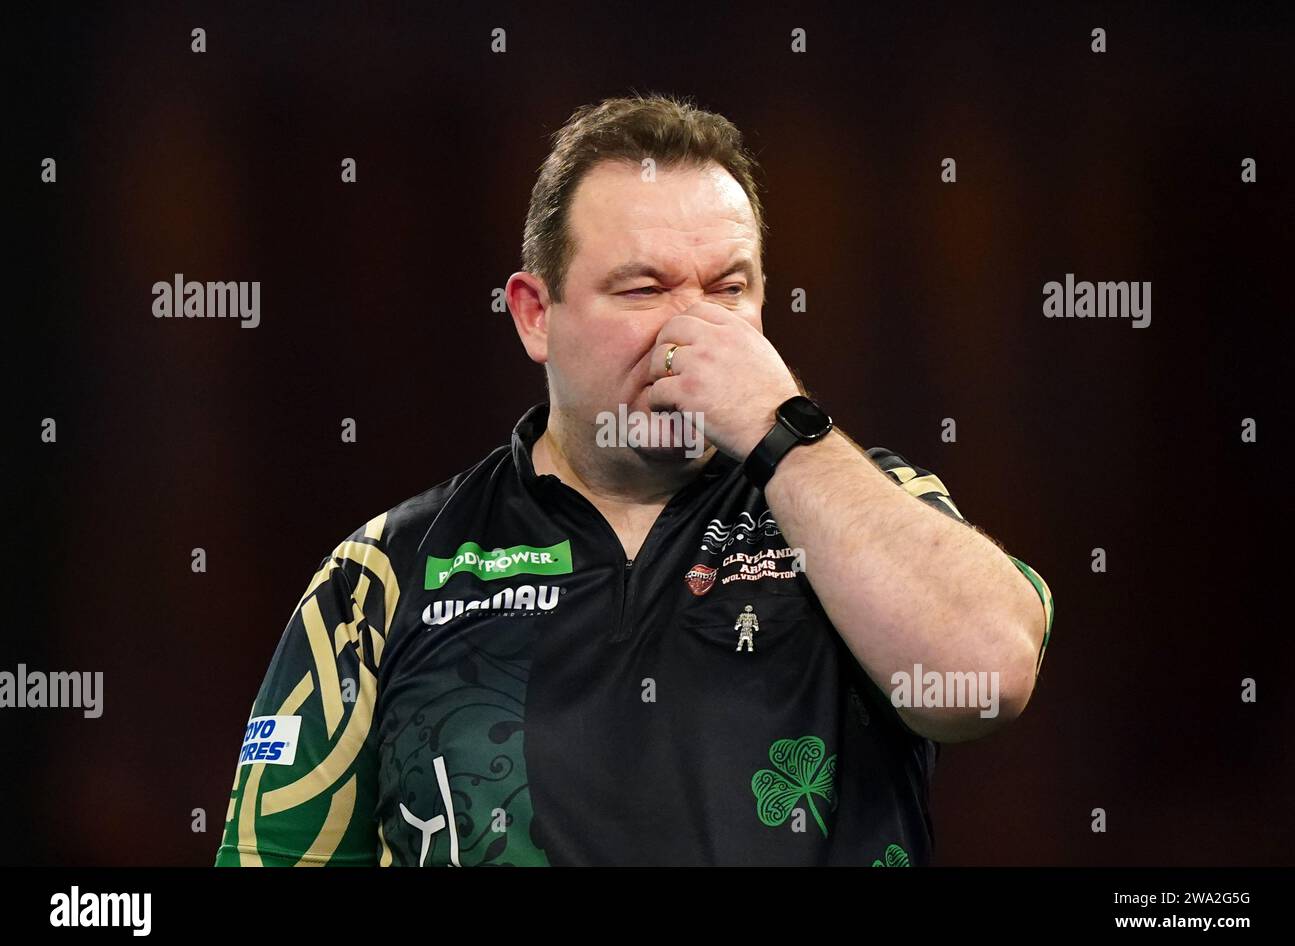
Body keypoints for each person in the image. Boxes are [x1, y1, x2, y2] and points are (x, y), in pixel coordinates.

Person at [215, 93, 1054, 867]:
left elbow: (990, 675)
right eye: (643, 288)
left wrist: (786, 436)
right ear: (535, 315)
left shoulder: (859, 501)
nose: (690, 329)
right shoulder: (383, 576)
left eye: (730, 288)